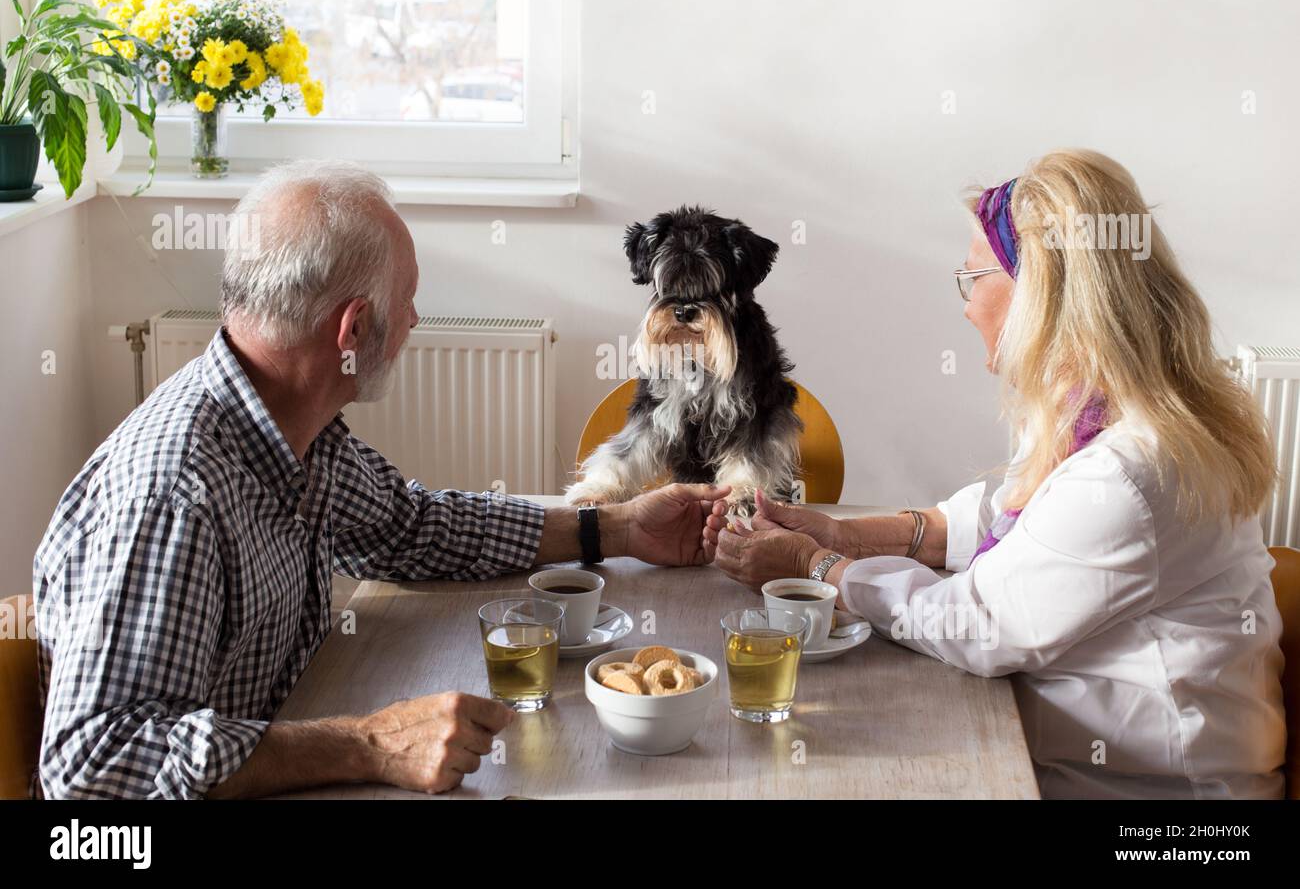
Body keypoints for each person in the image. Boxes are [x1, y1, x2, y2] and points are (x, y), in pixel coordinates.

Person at [34, 159, 730, 800]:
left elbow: (412, 528)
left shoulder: (291, 428)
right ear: (354, 327)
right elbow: (91, 769)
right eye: (409, 301)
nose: (416, 320)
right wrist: (367, 742)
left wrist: (619, 526)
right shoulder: (174, 495)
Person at [704, 149, 1287, 798]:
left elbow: (975, 623)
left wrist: (812, 565)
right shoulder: (1103, 408)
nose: (965, 305)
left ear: (1041, 290)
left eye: (972, 277)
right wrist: (844, 536)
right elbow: (1007, 515)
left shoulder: (1128, 472)